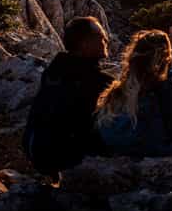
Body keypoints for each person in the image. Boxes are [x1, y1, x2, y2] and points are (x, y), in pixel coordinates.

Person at [95, 20, 172, 158]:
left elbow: (151, 71)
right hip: (164, 164)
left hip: (122, 164)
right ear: (165, 60)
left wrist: (169, 50)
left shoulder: (115, 93)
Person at [23, 16, 114, 177]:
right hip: (67, 157)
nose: (106, 39)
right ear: (85, 44)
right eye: (101, 36)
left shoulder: (54, 70)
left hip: (37, 150)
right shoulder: (97, 82)